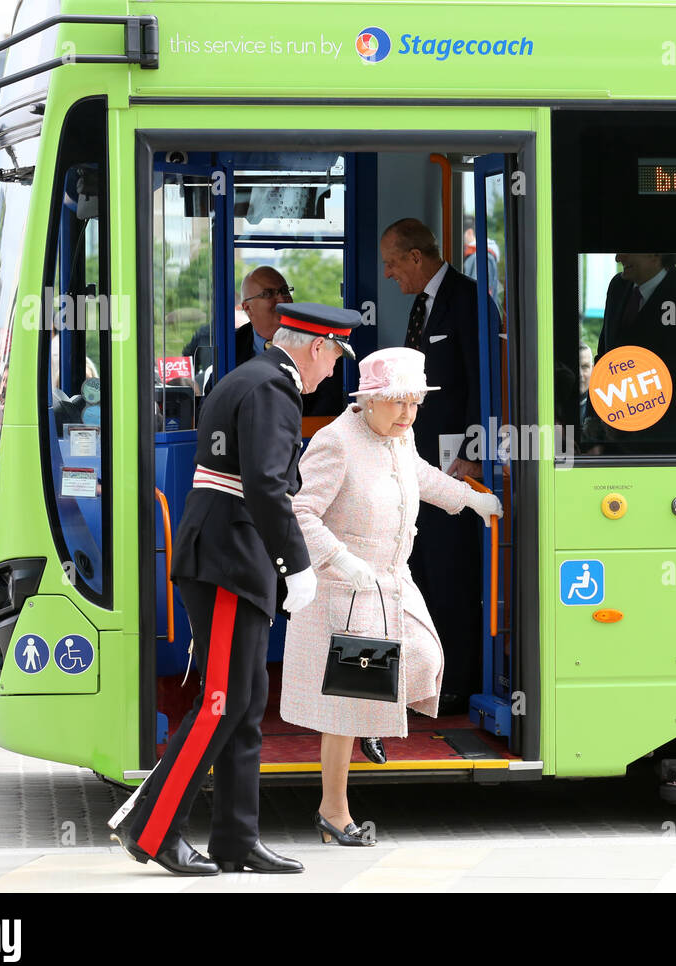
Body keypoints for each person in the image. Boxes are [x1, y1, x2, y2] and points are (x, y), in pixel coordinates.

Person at [115, 301, 355, 876]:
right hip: (230, 560)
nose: (332, 370)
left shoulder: (250, 376)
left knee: (243, 705)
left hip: (231, 557)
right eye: (335, 356)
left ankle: (235, 839)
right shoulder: (273, 386)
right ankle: (151, 829)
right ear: (316, 346)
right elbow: (267, 487)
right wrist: (295, 565)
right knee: (219, 704)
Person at [280, 347, 502, 845]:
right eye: (399, 402)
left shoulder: (400, 435)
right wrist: (339, 559)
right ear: (370, 400)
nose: (409, 413)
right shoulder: (335, 442)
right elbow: (300, 512)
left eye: (416, 403)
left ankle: (371, 720)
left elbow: (419, 476)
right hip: (347, 592)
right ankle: (333, 813)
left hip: (392, 581)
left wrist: (471, 499)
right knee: (346, 706)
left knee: (424, 657)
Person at [381, 217, 498, 713]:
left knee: (453, 572)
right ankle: (426, 677)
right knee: (424, 568)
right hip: (417, 461)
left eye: (392, 263)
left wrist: (472, 454)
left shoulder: (469, 299)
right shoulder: (423, 304)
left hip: (455, 466)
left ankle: (459, 680)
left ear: (415, 257)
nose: (389, 275)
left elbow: (484, 382)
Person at [594, 253, 676, 444]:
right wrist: (595, 416)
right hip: (610, 438)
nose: (618, 257)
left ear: (655, 254)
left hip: (661, 444)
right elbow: (604, 356)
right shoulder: (618, 287)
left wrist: (623, 419)